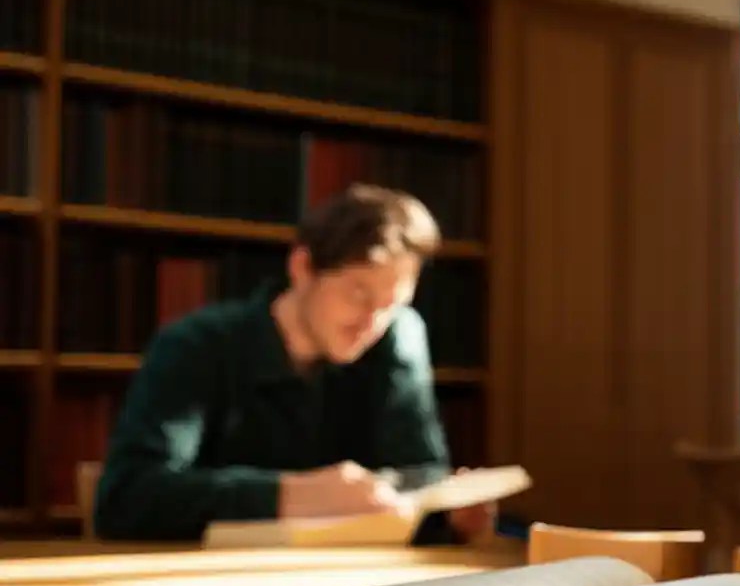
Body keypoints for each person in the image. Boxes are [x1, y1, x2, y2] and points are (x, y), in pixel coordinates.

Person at [94, 184, 495, 544]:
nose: (372, 323)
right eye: (358, 293)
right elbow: (125, 499)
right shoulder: (196, 344)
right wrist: (293, 495)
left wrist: (449, 516)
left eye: (391, 304)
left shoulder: (397, 335)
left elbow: (421, 474)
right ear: (302, 267)